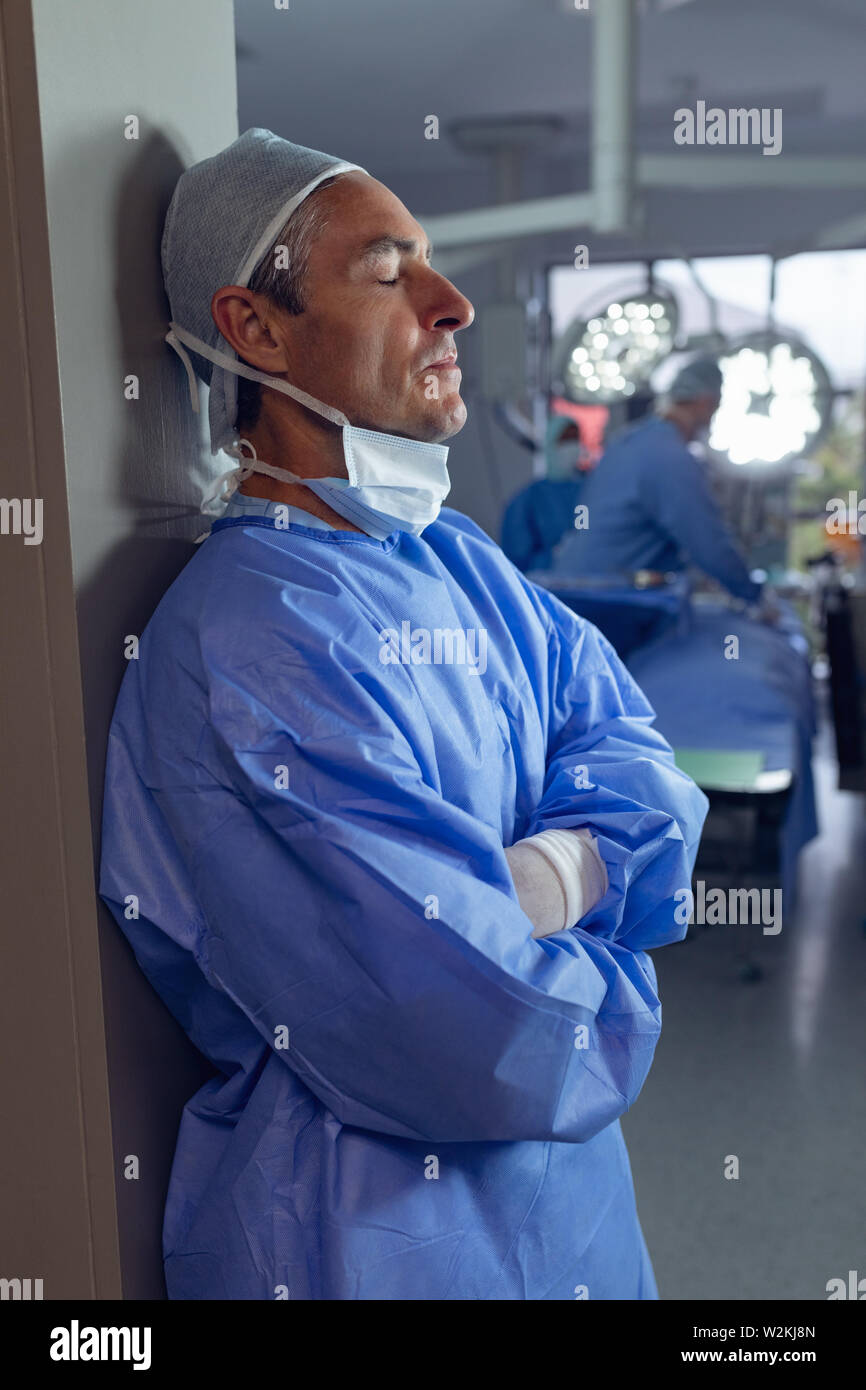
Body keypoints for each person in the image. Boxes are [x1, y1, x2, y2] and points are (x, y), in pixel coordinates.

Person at [98, 128, 708, 1302]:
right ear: (256, 329)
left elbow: (642, 764)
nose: (452, 304)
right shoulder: (252, 638)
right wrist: (592, 880)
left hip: (571, 1223)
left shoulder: (455, 561)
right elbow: (478, 1030)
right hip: (360, 1242)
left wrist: (529, 885)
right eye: (388, 273)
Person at [551, 357, 764, 603]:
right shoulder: (671, 458)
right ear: (707, 403)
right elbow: (709, 545)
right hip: (606, 601)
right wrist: (755, 595)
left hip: (575, 589)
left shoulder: (629, 441)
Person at [501, 413, 585, 572]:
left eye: (575, 440)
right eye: (565, 441)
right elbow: (516, 560)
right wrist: (553, 558)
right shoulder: (528, 500)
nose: (572, 446)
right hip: (543, 587)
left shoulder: (587, 493)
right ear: (550, 445)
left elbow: (588, 530)